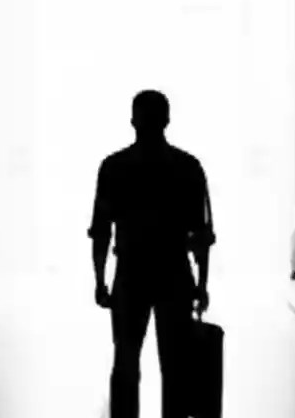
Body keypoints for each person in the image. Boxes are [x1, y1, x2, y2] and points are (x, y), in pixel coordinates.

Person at [88, 90, 216, 418]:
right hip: (174, 274)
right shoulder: (188, 168)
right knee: (175, 367)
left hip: (131, 274)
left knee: (126, 363)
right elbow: (201, 237)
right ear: (167, 121)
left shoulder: (114, 167)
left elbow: (101, 231)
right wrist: (201, 284)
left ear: (133, 121)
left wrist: (100, 281)